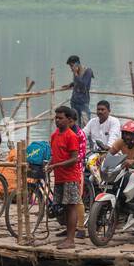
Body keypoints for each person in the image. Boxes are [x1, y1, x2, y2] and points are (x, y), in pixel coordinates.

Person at [50, 105, 84, 248]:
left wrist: (57, 165)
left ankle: (71, 240)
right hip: (59, 177)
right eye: (56, 118)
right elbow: (55, 155)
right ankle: (68, 235)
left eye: (60, 118)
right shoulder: (54, 135)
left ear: (69, 120)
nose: (57, 121)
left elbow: (74, 158)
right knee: (63, 207)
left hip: (70, 177)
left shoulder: (71, 136)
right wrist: (50, 164)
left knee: (71, 207)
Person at [61, 56, 95, 126]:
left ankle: (86, 137)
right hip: (74, 102)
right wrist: (70, 85)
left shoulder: (88, 71)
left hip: (83, 102)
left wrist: (76, 74)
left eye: (72, 65)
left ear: (77, 64)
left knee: (86, 124)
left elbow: (83, 85)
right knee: (75, 124)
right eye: (70, 66)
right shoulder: (75, 72)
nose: (71, 68)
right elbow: (76, 83)